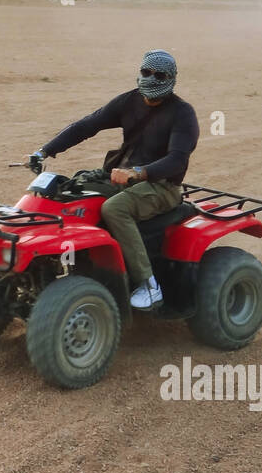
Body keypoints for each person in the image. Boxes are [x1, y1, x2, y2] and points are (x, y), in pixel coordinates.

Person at [29, 49, 199, 310]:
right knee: (70, 191)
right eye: (146, 72)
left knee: (114, 208)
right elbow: (86, 125)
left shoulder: (182, 113)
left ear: (171, 78)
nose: (151, 78)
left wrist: (138, 172)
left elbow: (177, 159)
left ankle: (149, 285)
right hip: (122, 178)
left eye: (159, 74)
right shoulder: (129, 101)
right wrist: (45, 150)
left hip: (161, 186)